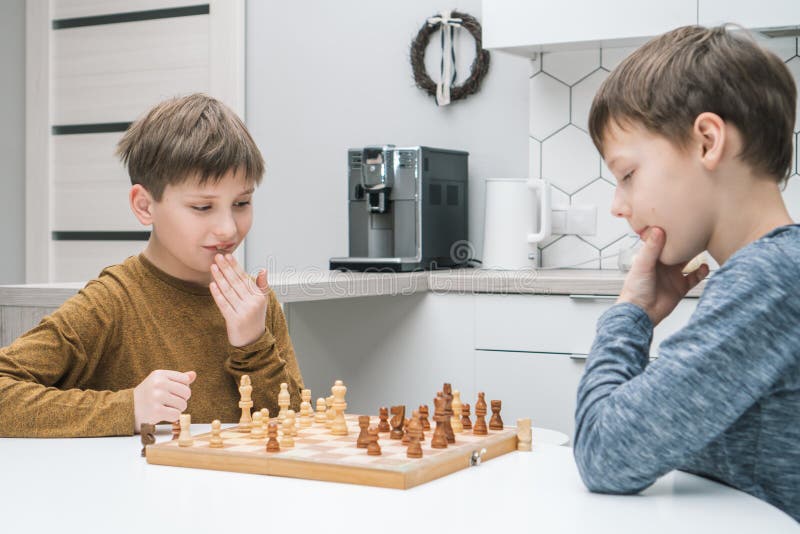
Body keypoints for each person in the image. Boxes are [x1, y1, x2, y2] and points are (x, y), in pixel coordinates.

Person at [573, 25, 799, 522]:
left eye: (628, 175)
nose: (617, 205)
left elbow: (604, 453)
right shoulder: (775, 271)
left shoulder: (770, 280)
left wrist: (629, 314)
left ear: (707, 142)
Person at [0, 94, 304, 437]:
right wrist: (129, 408)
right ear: (145, 205)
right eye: (203, 207)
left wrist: (253, 344)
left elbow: (296, 429)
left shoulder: (257, 301)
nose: (229, 229)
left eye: (242, 203)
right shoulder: (111, 303)